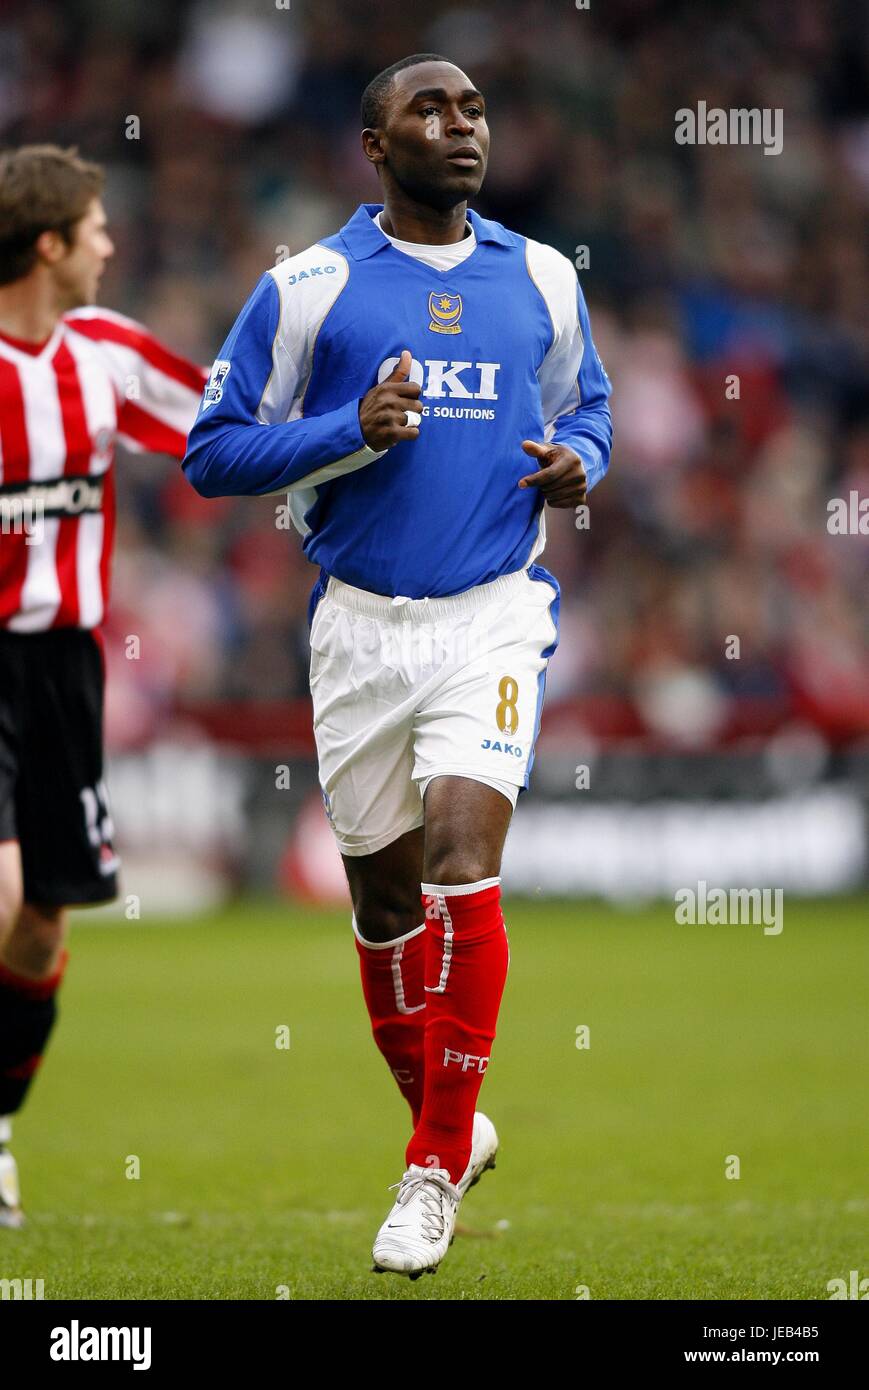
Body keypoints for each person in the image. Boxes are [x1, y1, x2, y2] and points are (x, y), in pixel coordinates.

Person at [183, 54, 612, 1278]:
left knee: (464, 868)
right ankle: (451, 1120)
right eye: (428, 108)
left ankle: (427, 1174)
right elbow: (211, 453)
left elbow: (589, 403)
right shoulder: (308, 286)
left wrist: (582, 457)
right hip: (358, 628)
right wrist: (343, 433)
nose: (459, 124)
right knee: (382, 913)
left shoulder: (539, 274)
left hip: (491, 613)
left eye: (473, 105)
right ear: (374, 145)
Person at [0, 145, 206, 1226]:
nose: (111, 244)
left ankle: (0, 1124)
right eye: (95, 227)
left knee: (40, 926)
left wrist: (354, 431)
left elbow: (222, 427)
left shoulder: (108, 355)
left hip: (64, 669)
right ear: (49, 244)